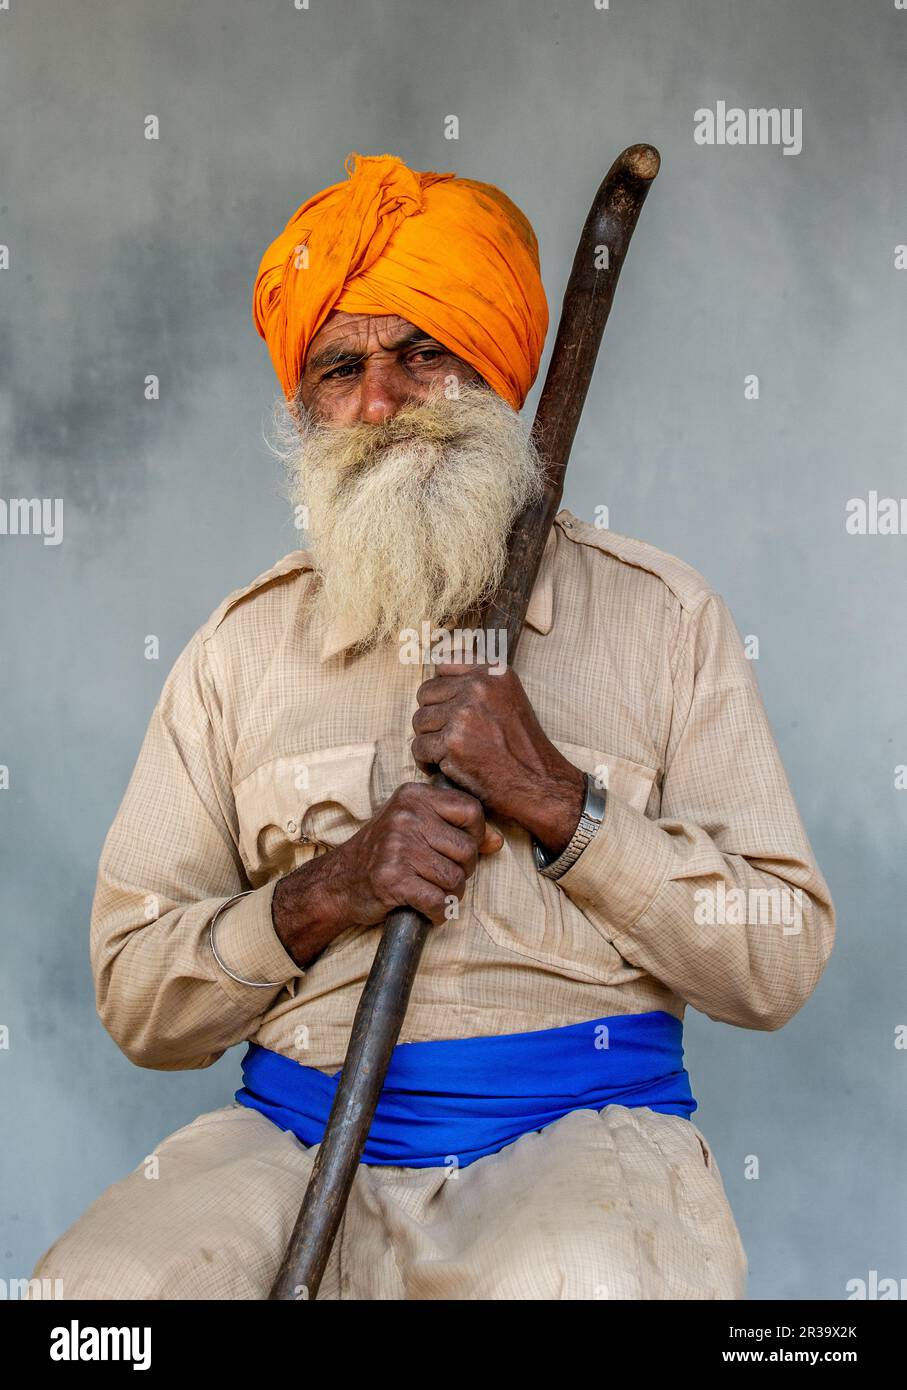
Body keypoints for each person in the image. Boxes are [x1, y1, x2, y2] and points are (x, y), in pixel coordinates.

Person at [30, 152, 834, 1300]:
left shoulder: (664, 619)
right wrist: (323, 893)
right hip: (299, 1133)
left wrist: (562, 802)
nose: (378, 402)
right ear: (303, 401)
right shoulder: (237, 650)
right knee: (90, 1311)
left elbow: (780, 956)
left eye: (422, 354)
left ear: (498, 372)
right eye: (340, 366)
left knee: (583, 1284)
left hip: (569, 1137)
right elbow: (137, 999)